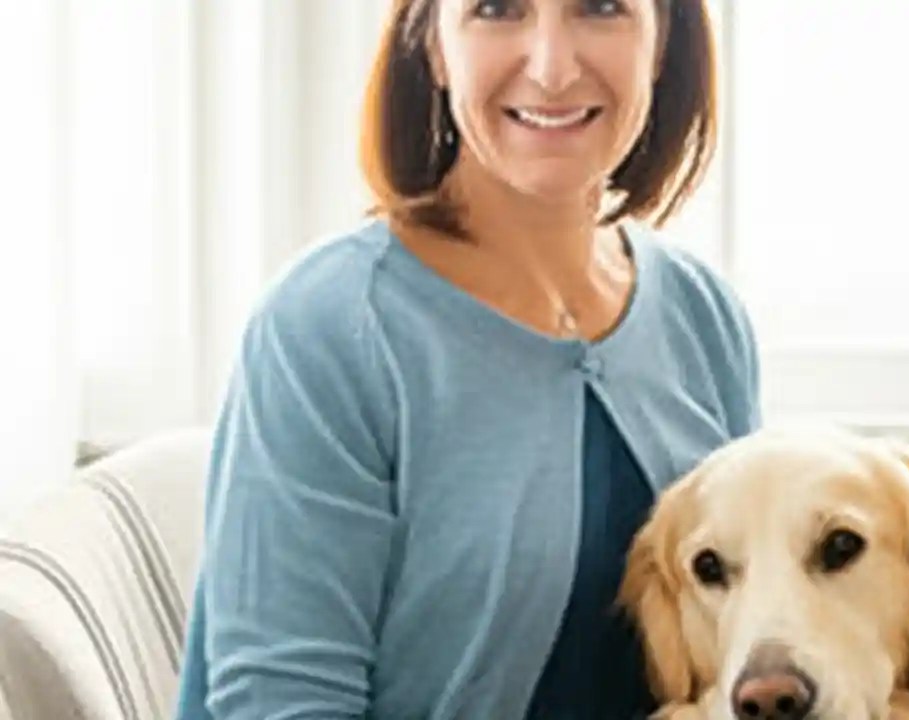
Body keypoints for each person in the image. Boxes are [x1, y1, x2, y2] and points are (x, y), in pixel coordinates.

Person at [173, 0, 760, 717]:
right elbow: (281, 701)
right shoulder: (330, 328)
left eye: (601, 8)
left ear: (664, 43)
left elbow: (746, 650)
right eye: (497, 10)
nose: (551, 66)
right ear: (435, 47)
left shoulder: (704, 317)